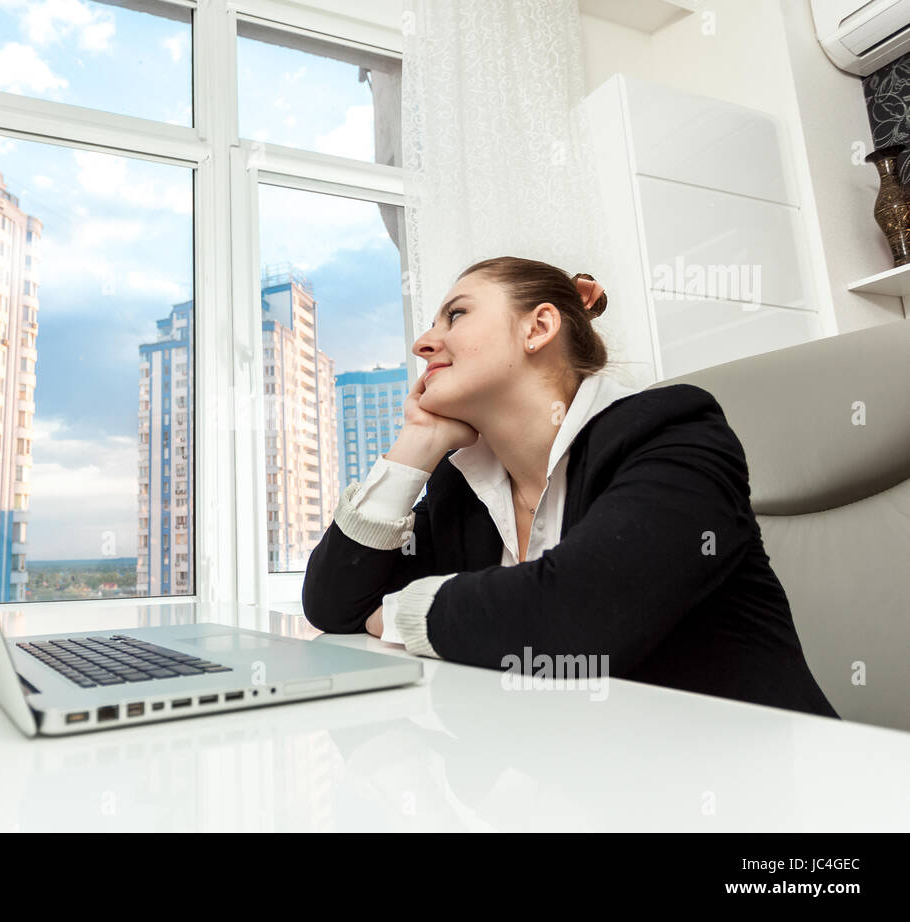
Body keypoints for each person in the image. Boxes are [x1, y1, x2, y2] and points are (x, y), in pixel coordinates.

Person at [302, 255, 839, 718]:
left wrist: (402, 612)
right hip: (587, 778)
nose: (424, 342)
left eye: (457, 314)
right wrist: (417, 443)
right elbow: (335, 605)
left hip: (758, 786)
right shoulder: (464, 487)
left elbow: (577, 615)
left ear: (538, 328)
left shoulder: (671, 430)